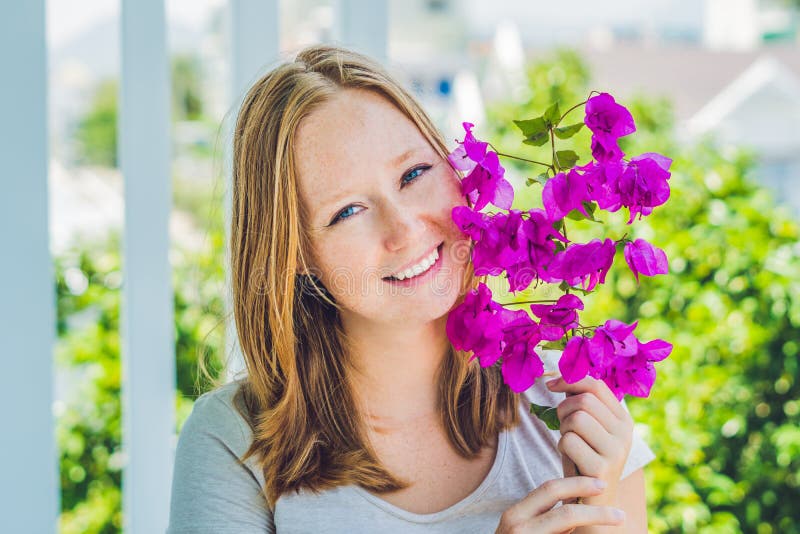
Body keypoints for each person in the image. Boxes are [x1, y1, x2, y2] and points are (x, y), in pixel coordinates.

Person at [166, 44, 655, 534]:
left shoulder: (577, 406)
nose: (404, 230)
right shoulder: (234, 440)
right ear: (294, 254)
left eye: (414, 173)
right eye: (347, 211)